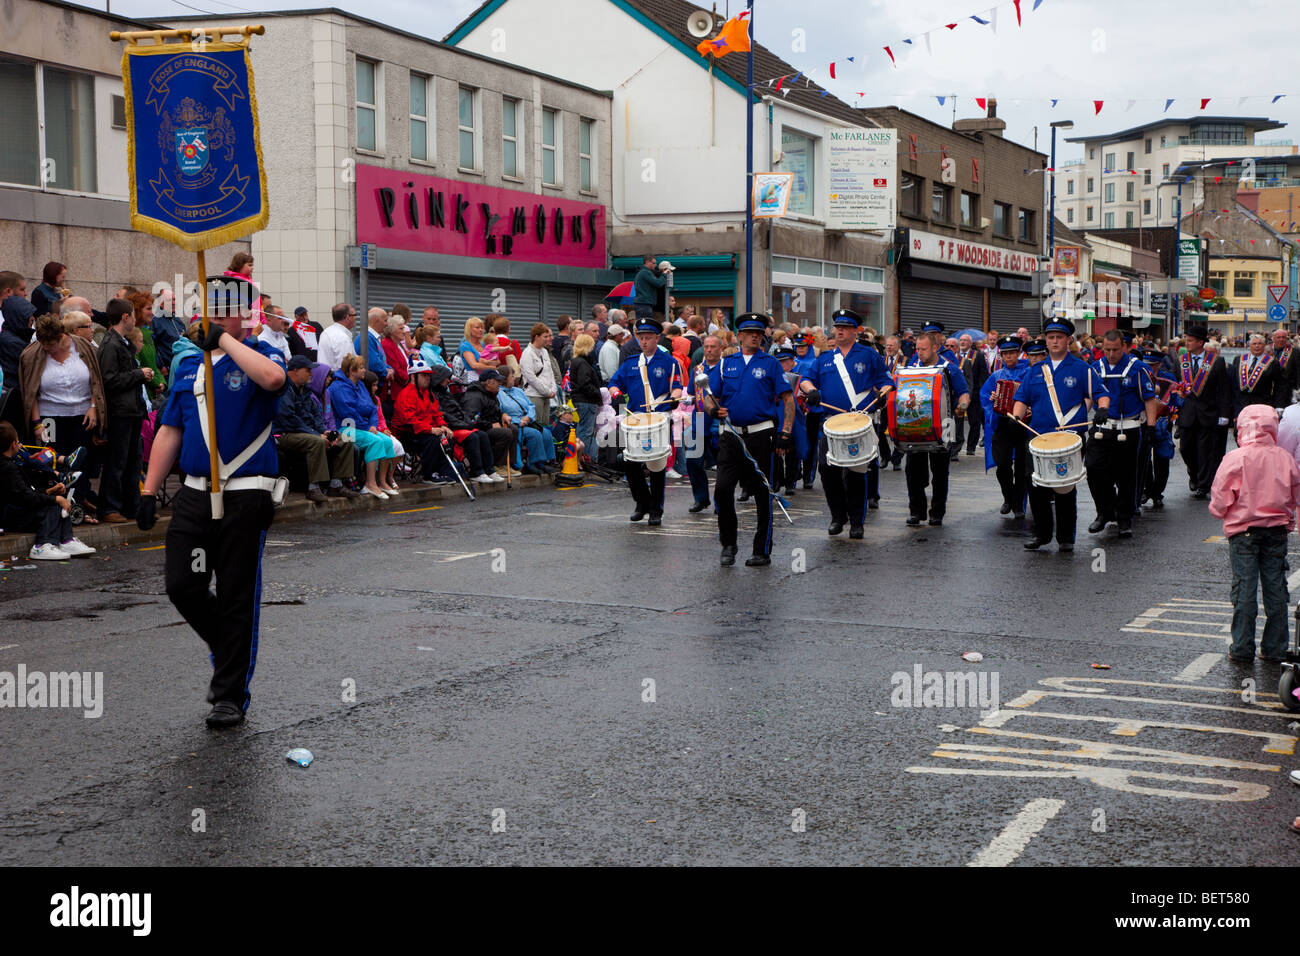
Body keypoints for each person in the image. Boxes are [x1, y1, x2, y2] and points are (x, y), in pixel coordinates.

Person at [137, 274, 288, 728]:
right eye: (210, 307)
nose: (214, 316)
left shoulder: (262, 352)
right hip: (196, 492)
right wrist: (148, 490)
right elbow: (171, 429)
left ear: (245, 315)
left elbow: (274, 379)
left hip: (247, 492)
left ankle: (229, 695)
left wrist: (224, 338)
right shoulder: (187, 366)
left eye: (226, 309)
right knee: (183, 584)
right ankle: (230, 648)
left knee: (238, 592)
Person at [698, 313, 794, 567]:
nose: (756, 336)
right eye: (750, 332)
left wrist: (785, 433)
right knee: (722, 489)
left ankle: (762, 549)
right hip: (731, 435)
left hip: (762, 435)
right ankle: (728, 544)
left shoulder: (771, 364)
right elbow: (709, 395)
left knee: (763, 493)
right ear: (739, 335)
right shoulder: (725, 363)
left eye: (759, 332)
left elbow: (788, 399)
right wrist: (711, 409)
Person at [1210, 404, 1300, 664]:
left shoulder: (1236, 457)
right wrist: (1288, 521)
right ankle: (1274, 648)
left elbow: (1220, 497)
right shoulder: (1284, 457)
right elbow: (1294, 494)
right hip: (1276, 530)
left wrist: (1221, 512)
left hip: (1244, 531)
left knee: (1245, 589)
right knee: (1276, 589)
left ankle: (1241, 647)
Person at [1013, 319, 1109, 552]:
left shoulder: (1081, 368)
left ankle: (1066, 537)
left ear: (1068, 340)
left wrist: (1103, 409)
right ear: (1046, 340)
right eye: (1050, 337)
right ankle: (1042, 534)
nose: (1054, 341)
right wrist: (1016, 418)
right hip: (1039, 438)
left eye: (1059, 337)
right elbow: (1021, 399)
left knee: (1064, 487)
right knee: (1036, 487)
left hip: (1069, 439)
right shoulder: (1035, 370)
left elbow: (1100, 393)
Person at [796, 309, 893, 538]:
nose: (839, 330)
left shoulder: (869, 355)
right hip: (831, 423)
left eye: (845, 327)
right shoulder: (825, 359)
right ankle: (838, 516)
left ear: (855, 331)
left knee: (857, 472)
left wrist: (883, 394)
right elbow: (806, 380)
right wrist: (810, 391)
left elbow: (886, 381)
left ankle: (857, 521)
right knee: (827, 470)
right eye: (837, 327)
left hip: (859, 422)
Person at [19, 312, 106, 511]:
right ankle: (57, 507)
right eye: (44, 345)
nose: (47, 349)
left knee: (81, 463)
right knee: (53, 461)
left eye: (51, 345)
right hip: (50, 415)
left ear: (62, 336)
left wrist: (93, 408)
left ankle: (78, 507)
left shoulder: (82, 347)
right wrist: (37, 423)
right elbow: (30, 392)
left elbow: (95, 380)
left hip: (82, 414)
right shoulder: (33, 354)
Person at [607, 317, 684, 525]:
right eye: (641, 338)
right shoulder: (631, 363)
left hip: (659, 418)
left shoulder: (669, 362)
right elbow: (614, 382)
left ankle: (656, 510)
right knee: (631, 464)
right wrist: (616, 394)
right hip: (636, 420)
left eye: (648, 338)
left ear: (657, 338)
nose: (644, 342)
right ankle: (641, 503)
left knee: (657, 465)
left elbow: (676, 386)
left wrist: (675, 398)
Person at [1085, 329, 1159, 538]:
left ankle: (1124, 518)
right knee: (1094, 470)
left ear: (1125, 347)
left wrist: (1151, 427)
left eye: (1115, 350)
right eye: (1107, 350)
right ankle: (1104, 512)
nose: (1111, 354)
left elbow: (1149, 398)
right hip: (1102, 429)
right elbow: (1088, 396)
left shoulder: (1137, 368)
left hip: (1128, 430)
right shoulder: (1095, 368)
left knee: (1126, 477)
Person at [900, 332, 970, 527]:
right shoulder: (910, 368)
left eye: (923, 349)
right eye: (917, 349)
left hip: (944, 425)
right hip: (915, 426)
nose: (919, 353)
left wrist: (962, 406)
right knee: (913, 471)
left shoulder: (949, 369)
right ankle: (916, 512)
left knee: (940, 473)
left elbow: (964, 393)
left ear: (934, 348)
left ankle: (937, 513)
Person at [0, 421, 95, 560]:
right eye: (18, 441)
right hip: (12, 517)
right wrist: (54, 498)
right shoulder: (7, 468)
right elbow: (25, 498)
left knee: (57, 503)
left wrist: (50, 492)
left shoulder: (11, 464)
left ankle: (66, 540)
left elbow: (27, 493)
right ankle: (42, 544)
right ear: (14, 444)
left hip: (18, 510)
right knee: (52, 506)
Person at [97, 297, 151, 523]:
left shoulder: (122, 342)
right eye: (133, 316)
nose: (136, 320)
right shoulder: (111, 344)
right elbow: (108, 380)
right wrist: (139, 375)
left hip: (131, 410)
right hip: (120, 411)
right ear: (125, 317)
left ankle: (131, 506)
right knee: (117, 461)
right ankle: (109, 507)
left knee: (132, 461)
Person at [275, 355, 359, 502]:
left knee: (345, 440)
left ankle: (336, 484)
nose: (311, 374)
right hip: (285, 434)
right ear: (295, 371)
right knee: (317, 442)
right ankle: (313, 488)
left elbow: (314, 416)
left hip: (305, 432)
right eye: (307, 370)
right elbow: (290, 419)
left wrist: (324, 431)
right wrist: (316, 434)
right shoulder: (284, 389)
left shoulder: (305, 391)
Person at [327, 353, 398, 499]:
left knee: (386, 440)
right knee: (375, 441)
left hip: (362, 426)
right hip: (346, 428)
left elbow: (372, 408)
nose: (364, 370)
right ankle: (370, 483)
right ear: (351, 371)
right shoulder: (339, 387)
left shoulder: (359, 385)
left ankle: (382, 482)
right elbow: (348, 414)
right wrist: (367, 427)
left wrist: (373, 425)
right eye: (360, 368)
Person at [1176, 323, 1232, 500]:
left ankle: (1203, 484)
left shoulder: (1216, 362)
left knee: (1205, 451)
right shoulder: (1180, 361)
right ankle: (1193, 474)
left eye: (1190, 340)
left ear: (1200, 342)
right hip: (1186, 414)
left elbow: (1223, 391)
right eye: (1187, 339)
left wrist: (1224, 414)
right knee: (1186, 449)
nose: (1187, 343)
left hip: (1208, 413)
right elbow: (1173, 387)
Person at [980, 336, 1031, 519]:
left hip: (1023, 425)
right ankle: (1007, 497)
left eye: (1012, 353)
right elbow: (985, 396)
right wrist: (993, 400)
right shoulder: (996, 376)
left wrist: (1031, 408)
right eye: (1005, 354)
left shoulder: (1029, 372)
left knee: (1022, 467)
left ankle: (1018, 505)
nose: (1009, 357)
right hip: (1002, 423)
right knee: (1002, 463)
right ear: (1001, 356)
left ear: (1019, 353)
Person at [427, 366, 501, 484]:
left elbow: (460, 411)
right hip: (450, 427)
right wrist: (464, 425)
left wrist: (468, 423)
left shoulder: (446, 394)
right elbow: (442, 414)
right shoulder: (432, 395)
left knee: (482, 435)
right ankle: (476, 472)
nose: (449, 381)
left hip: (459, 425)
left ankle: (489, 469)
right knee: (473, 437)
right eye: (446, 378)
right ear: (439, 378)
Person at [392, 357, 456, 484]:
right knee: (432, 440)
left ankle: (443, 472)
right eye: (424, 375)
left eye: (428, 375)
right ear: (413, 377)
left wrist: (443, 426)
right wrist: (431, 429)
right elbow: (409, 420)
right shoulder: (406, 394)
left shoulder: (428, 393)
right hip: (408, 433)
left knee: (447, 437)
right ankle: (429, 474)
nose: (428, 378)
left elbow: (435, 413)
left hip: (424, 431)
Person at [499, 368, 557, 475]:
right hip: (515, 424)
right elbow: (501, 411)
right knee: (534, 434)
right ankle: (533, 463)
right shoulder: (499, 394)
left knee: (546, 433)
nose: (514, 378)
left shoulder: (518, 391)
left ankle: (546, 462)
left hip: (528, 421)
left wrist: (529, 417)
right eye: (512, 376)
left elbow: (530, 406)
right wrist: (520, 420)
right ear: (505, 379)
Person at [1230, 333, 1288, 421]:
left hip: (1263, 405)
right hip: (1241, 406)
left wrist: (1279, 406)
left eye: (1260, 344)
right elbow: (1233, 385)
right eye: (1254, 344)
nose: (1257, 346)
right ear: (1249, 345)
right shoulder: (1239, 359)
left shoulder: (1272, 362)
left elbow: (1280, 385)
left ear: (1264, 346)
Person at [568, 333, 602, 454]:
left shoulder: (576, 362)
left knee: (583, 431)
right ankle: (585, 459)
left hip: (579, 400)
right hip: (586, 400)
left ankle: (584, 458)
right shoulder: (583, 363)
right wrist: (597, 394)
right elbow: (585, 383)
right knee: (586, 433)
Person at [956, 334, 989, 459]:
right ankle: (957, 445)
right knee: (958, 420)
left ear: (970, 343)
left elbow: (983, 375)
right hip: (960, 394)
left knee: (974, 422)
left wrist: (981, 392)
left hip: (974, 394)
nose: (963, 342)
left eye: (966, 340)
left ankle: (971, 446)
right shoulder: (956, 356)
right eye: (961, 340)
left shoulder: (978, 355)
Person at [521, 323, 558, 428]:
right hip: (534, 395)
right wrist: (547, 391)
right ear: (536, 337)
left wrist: (553, 389)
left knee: (545, 425)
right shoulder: (527, 354)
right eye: (545, 337)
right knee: (536, 425)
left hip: (547, 395)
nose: (547, 339)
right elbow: (531, 378)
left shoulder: (545, 352)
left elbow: (550, 373)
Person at [317, 303, 357, 371]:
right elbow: (345, 368)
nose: (356, 318)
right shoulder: (343, 338)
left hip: (326, 377)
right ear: (347, 317)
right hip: (338, 379)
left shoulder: (326, 332)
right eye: (354, 315)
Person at [457, 316, 498, 383]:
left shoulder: (484, 344)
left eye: (482, 327)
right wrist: (491, 367)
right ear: (469, 330)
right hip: (475, 381)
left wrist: (492, 363)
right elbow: (474, 365)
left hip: (489, 378)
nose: (481, 330)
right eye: (477, 327)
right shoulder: (465, 346)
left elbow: (495, 360)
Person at [633, 255, 668, 320]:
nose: (655, 265)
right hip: (644, 304)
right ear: (647, 262)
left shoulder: (642, 272)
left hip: (642, 304)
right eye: (653, 263)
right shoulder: (645, 272)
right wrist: (664, 274)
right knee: (646, 326)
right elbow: (658, 283)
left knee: (642, 325)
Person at [1271, 328, 1299, 400]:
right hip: (1268, 392)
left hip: (1287, 393)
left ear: (1287, 339)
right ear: (1273, 339)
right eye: (1278, 337)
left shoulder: (1295, 352)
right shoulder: (1267, 350)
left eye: (1283, 337)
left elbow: (1298, 373)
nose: (1281, 339)